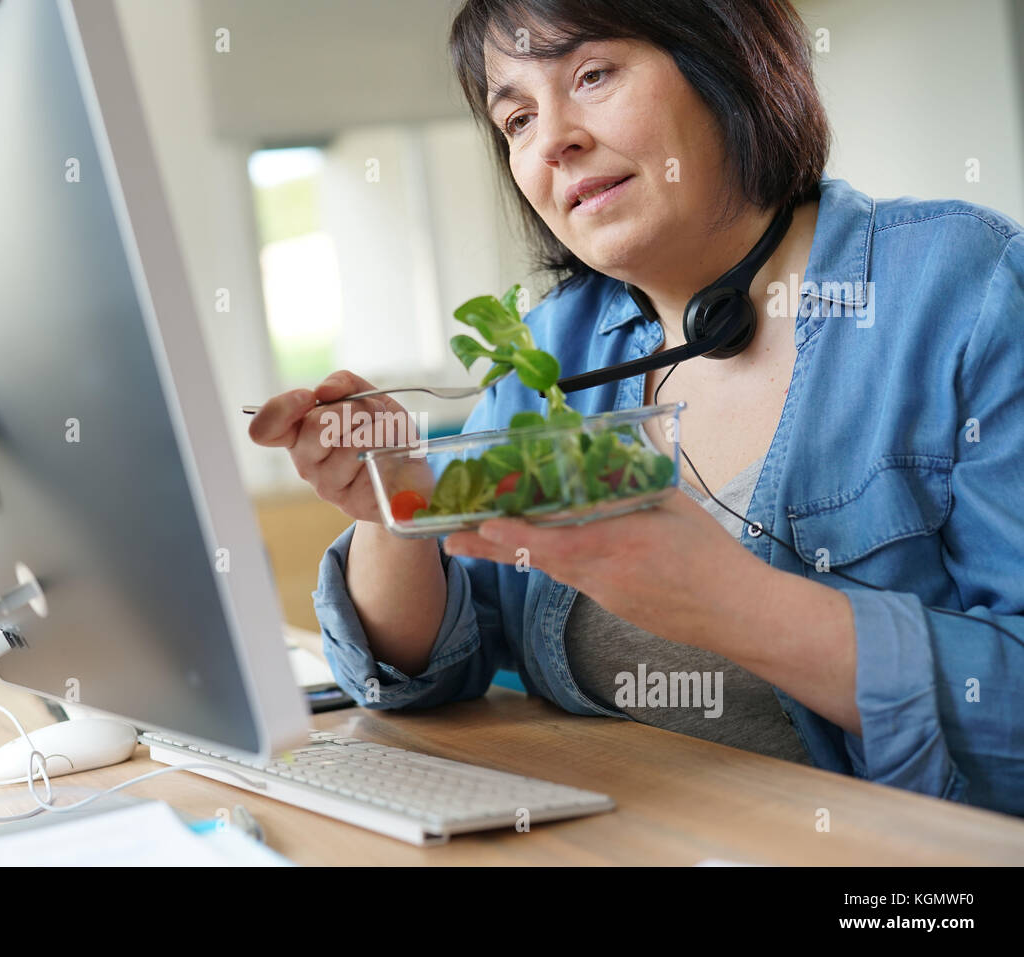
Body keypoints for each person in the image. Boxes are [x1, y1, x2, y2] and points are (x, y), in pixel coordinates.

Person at [247, 0, 1024, 817]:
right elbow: (427, 672)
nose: (552, 140)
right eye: (515, 118)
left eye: (591, 75)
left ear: (725, 59)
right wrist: (392, 501)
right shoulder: (555, 346)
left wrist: (737, 607)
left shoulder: (967, 290)